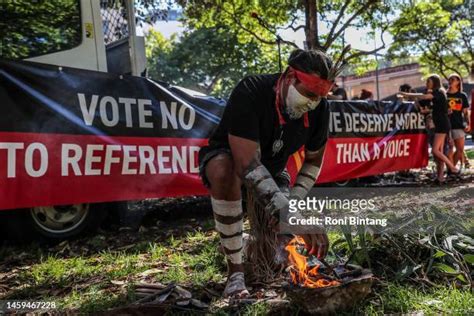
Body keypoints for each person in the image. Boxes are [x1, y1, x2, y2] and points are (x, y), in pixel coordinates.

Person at [198, 49, 345, 298]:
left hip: (275, 175)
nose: (312, 103)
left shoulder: (320, 108)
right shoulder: (252, 89)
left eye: (320, 97)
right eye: (309, 94)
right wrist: (289, 214)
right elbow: (247, 164)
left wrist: (292, 207)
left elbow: (313, 161)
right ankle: (235, 272)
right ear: (289, 77)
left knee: (277, 258)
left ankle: (245, 244)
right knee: (224, 168)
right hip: (234, 163)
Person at [401, 74, 460, 184]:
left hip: (442, 125)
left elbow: (423, 97)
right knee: (439, 151)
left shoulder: (438, 92)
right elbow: (421, 102)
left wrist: (406, 94)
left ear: (434, 82)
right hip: (439, 124)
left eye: (429, 82)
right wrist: (412, 98)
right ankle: (441, 177)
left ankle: (452, 167)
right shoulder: (434, 93)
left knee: (435, 150)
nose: (427, 84)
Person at [446, 74, 471, 170]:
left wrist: (468, 124)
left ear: (458, 82)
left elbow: (465, 112)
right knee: (449, 150)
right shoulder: (444, 95)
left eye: (452, 79)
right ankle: (451, 170)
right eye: (449, 79)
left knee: (460, 150)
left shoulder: (462, 95)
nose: (450, 81)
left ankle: (451, 169)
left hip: (458, 125)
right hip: (446, 126)